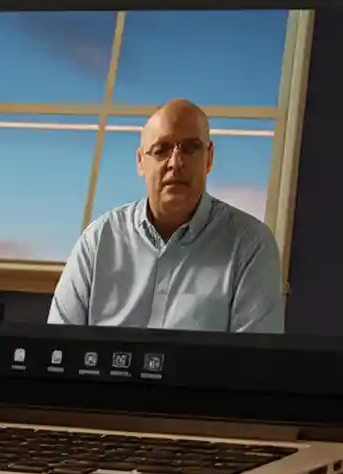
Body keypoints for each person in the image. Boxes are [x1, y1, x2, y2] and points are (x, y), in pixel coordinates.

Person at [47, 98, 285, 333]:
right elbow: (56, 348)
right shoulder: (98, 241)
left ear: (209, 158)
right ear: (141, 162)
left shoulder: (251, 246)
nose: (176, 162)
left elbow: (253, 366)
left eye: (190, 148)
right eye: (161, 150)